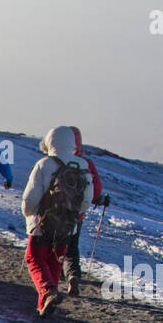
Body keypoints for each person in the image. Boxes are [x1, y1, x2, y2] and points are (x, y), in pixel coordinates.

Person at [21, 126, 94, 316]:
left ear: (49, 141)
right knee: (54, 262)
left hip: (42, 224)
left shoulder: (44, 164)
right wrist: (73, 216)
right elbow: (86, 200)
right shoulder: (82, 166)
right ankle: (43, 306)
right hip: (67, 226)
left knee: (35, 259)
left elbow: (30, 198)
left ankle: (47, 292)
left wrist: (28, 213)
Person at [63, 127, 109, 296]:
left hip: (54, 212)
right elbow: (96, 190)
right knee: (72, 246)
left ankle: (53, 276)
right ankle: (73, 275)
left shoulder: (55, 160)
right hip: (77, 213)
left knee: (55, 243)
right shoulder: (87, 164)